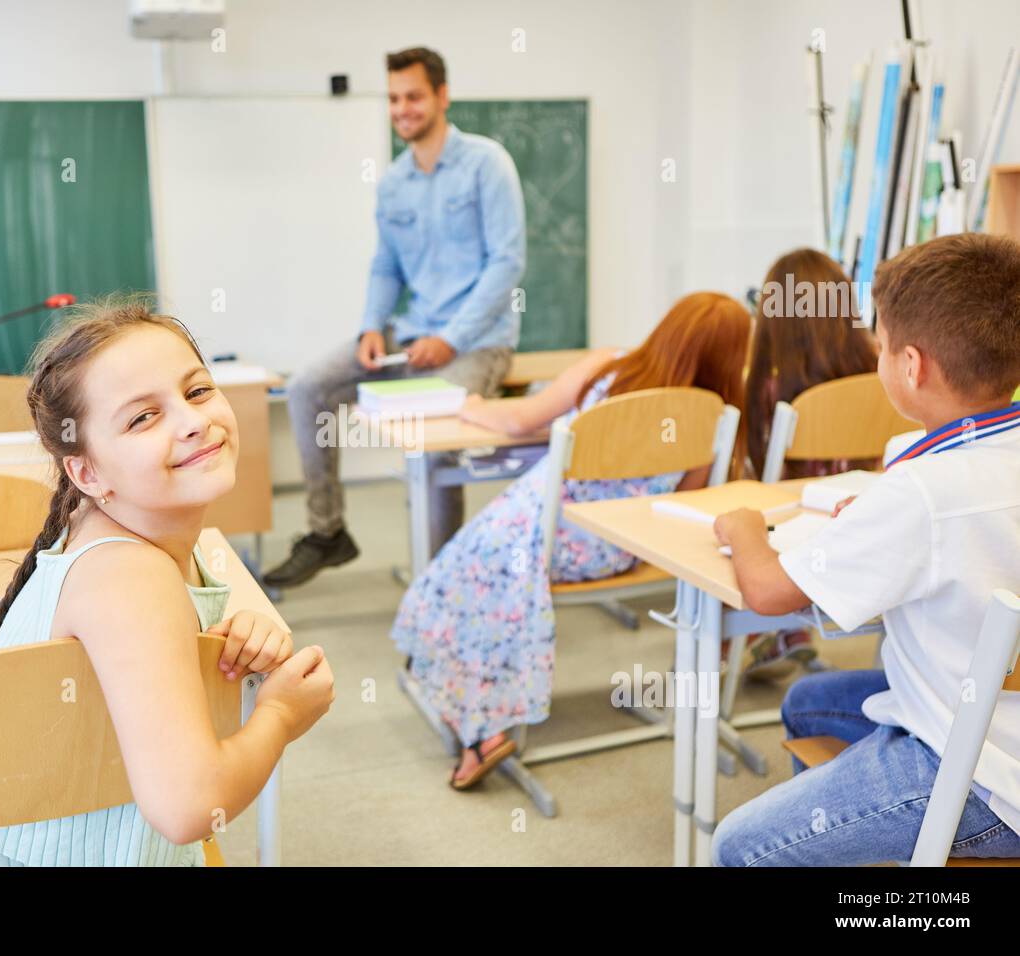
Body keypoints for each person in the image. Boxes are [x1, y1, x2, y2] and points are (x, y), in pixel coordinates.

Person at [0, 298, 334, 866]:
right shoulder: (129, 576)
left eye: (196, 392)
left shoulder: (139, 538)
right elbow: (188, 807)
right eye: (143, 417)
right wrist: (282, 714)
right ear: (87, 471)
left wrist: (227, 645)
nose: (194, 421)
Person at [712, 233, 1020, 865]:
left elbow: (767, 594)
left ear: (911, 366)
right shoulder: (944, 479)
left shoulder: (921, 493)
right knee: (808, 701)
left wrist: (741, 525)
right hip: (994, 719)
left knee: (736, 848)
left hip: (977, 774)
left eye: (879, 343)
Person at [391, 292, 751, 788]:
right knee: (487, 572)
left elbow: (520, 420)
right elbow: (682, 505)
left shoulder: (607, 366)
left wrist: (473, 405)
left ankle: (473, 716)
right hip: (614, 546)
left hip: (543, 529)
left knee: (462, 568)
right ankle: (466, 701)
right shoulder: (712, 417)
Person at [264, 45, 526, 588]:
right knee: (308, 387)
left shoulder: (487, 163)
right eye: (393, 98)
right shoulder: (393, 182)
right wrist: (369, 327)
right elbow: (385, 266)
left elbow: (507, 263)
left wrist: (451, 339)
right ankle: (327, 532)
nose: (402, 108)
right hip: (408, 336)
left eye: (413, 96)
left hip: (477, 343)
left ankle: (441, 584)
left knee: (428, 440)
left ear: (441, 96)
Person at [739, 248, 879, 679]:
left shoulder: (769, 387)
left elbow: (758, 469)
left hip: (792, 535)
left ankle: (757, 637)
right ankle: (786, 638)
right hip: (862, 525)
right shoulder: (878, 373)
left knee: (736, 518)